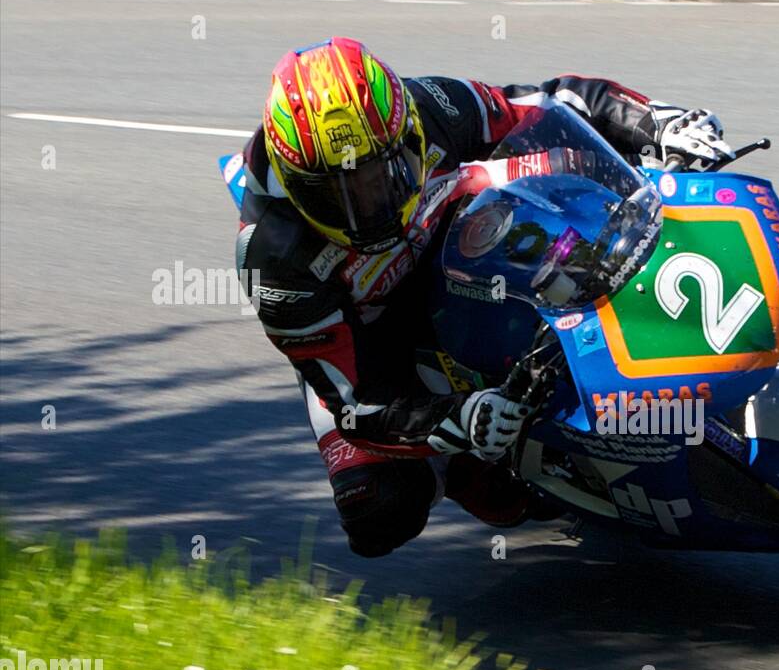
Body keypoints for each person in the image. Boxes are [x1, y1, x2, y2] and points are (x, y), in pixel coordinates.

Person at [235, 37, 733, 557]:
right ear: (297, 185)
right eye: (335, 193)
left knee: (562, 217)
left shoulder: (434, 107)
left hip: (458, 238)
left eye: (381, 174)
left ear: (405, 132)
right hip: (368, 334)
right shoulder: (275, 260)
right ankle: (469, 469)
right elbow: (359, 408)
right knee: (381, 513)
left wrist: (655, 122)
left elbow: (550, 105)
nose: (367, 207)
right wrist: (460, 418)